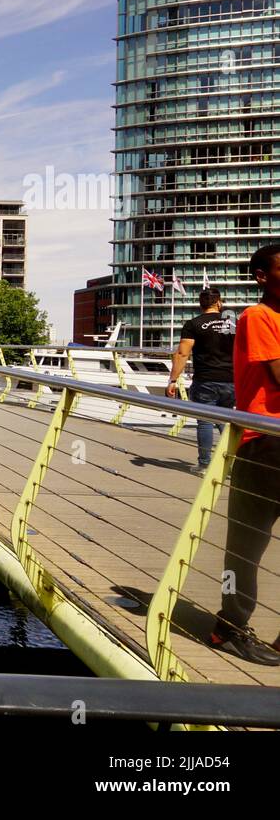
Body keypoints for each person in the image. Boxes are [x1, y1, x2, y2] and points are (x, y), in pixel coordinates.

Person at [211, 243, 280, 666]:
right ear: (262, 276)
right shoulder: (258, 317)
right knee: (246, 545)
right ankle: (229, 628)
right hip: (264, 444)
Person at [166, 287, 235, 471]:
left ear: (200, 304)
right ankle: (234, 464)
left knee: (204, 421)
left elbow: (182, 354)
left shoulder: (193, 324)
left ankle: (204, 465)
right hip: (231, 380)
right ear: (219, 302)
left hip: (206, 379)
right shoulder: (232, 324)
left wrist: (173, 380)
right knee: (225, 419)